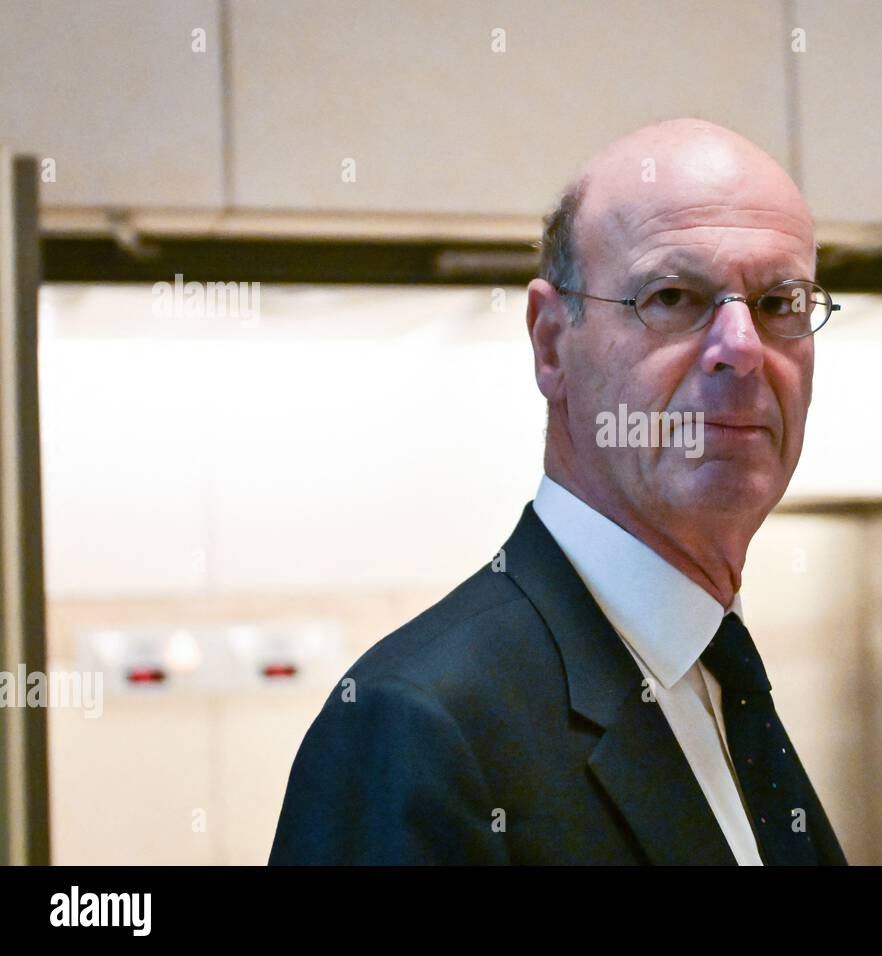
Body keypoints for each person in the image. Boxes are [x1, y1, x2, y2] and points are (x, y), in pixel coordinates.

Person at [268, 117, 846, 865]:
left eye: (779, 304)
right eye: (671, 296)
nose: (741, 349)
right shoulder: (416, 726)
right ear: (550, 343)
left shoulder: (720, 680)